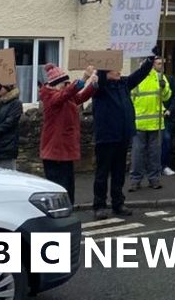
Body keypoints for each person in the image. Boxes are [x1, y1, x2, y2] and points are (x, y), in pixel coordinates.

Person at [90, 54, 156, 220]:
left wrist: (150, 60)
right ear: (106, 72)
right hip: (106, 136)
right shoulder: (100, 87)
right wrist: (105, 60)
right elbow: (100, 78)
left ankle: (118, 203)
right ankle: (99, 205)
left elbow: (140, 74)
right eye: (114, 68)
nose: (119, 71)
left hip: (122, 135)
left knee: (119, 173)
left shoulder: (123, 84)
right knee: (102, 173)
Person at [39, 64, 97, 204]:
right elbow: (66, 94)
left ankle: (68, 209)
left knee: (68, 187)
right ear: (56, 84)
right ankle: (59, 212)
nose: (67, 86)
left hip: (64, 151)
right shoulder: (51, 98)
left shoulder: (64, 97)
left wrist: (93, 85)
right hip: (55, 152)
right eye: (64, 83)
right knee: (59, 189)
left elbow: (79, 97)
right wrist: (84, 78)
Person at [129, 57, 172, 191]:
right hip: (140, 123)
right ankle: (136, 180)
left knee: (155, 154)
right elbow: (130, 99)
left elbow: (166, 96)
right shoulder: (136, 78)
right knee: (138, 153)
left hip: (155, 122)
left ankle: (153, 179)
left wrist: (164, 88)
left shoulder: (159, 77)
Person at [161, 72, 175, 176]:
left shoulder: (169, 79)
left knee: (166, 139)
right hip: (151, 116)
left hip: (166, 116)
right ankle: (153, 168)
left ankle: (164, 166)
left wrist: (170, 109)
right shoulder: (146, 80)